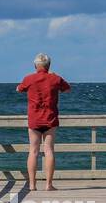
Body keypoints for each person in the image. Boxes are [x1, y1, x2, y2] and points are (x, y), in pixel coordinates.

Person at [16, 53, 70, 191]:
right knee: (49, 151)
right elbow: (67, 88)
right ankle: (48, 185)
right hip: (50, 119)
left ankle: (32, 185)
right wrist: (55, 75)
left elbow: (19, 89)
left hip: (34, 120)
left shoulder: (29, 78)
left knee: (33, 151)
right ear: (49, 65)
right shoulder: (55, 78)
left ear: (35, 65)